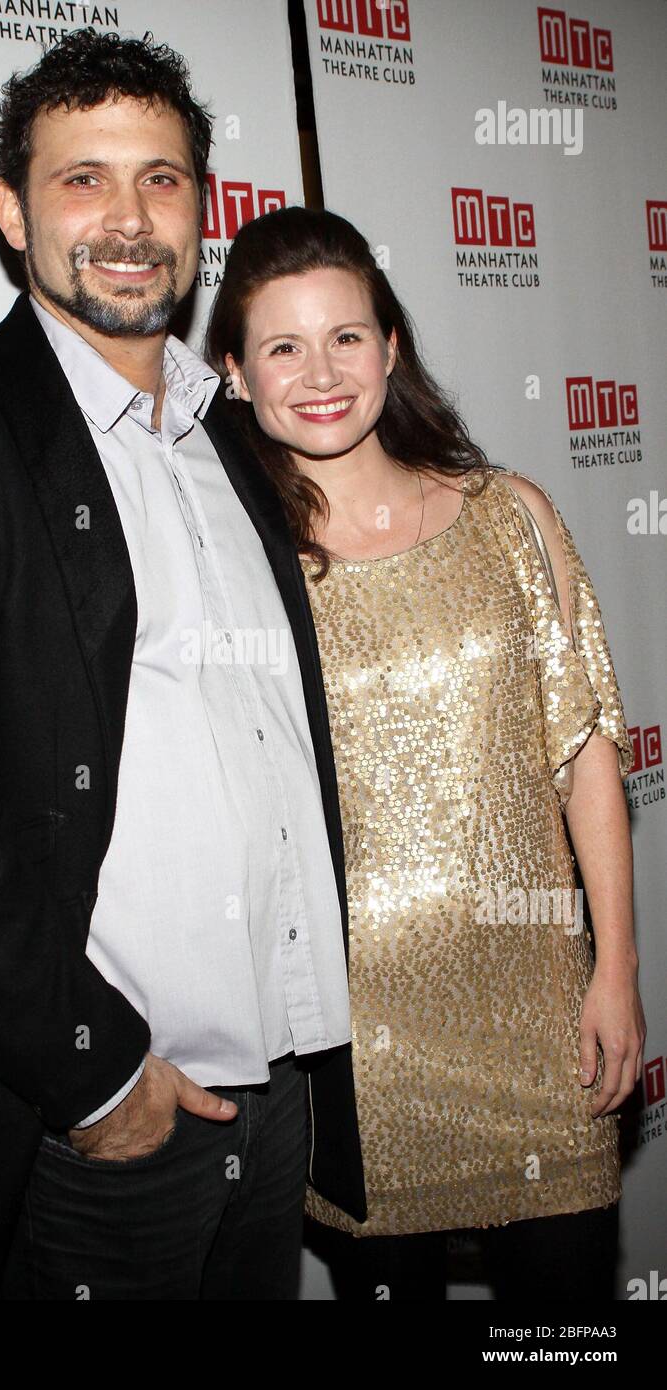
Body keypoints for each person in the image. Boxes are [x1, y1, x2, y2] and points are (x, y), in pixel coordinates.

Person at [0, 32, 367, 1302]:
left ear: (202, 207)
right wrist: (99, 1077)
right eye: (83, 179)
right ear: (8, 211)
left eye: (161, 179)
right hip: (98, 1118)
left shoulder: (238, 437)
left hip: (275, 1094)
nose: (127, 219)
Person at [206, 205, 646, 1300]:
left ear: (391, 345)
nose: (320, 372)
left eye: (346, 336)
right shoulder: (237, 571)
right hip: (364, 1048)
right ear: (233, 373)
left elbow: (583, 747)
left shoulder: (510, 515)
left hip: (540, 1016)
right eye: (282, 346)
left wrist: (618, 970)